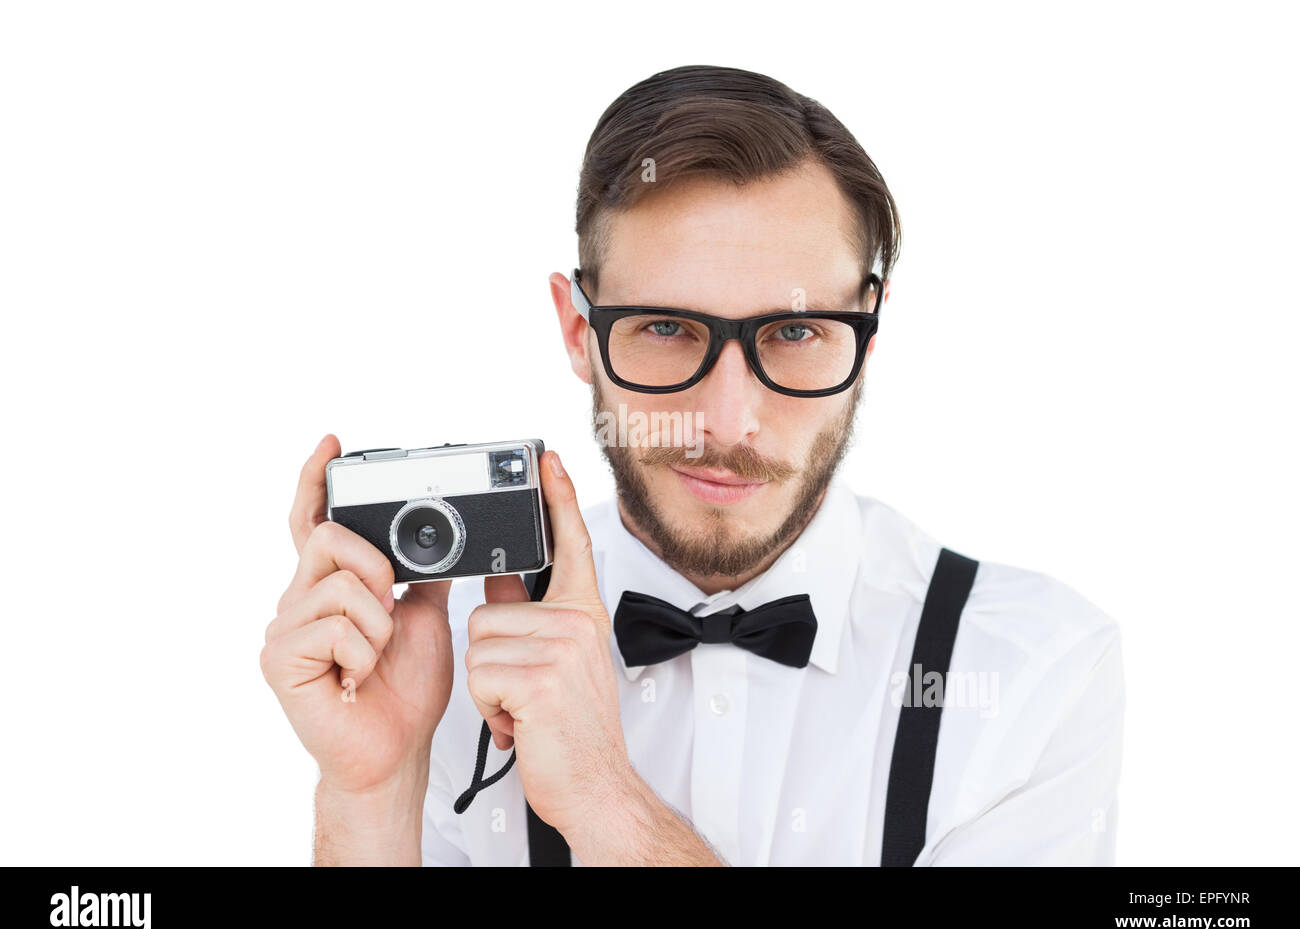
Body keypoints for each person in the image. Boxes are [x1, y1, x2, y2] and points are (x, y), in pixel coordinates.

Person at [262, 65, 1125, 866]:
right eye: (670, 329)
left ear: (869, 330)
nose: (727, 422)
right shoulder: (432, 665)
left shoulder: (1031, 671)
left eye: (793, 333)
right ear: (578, 331)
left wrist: (608, 802)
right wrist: (369, 796)